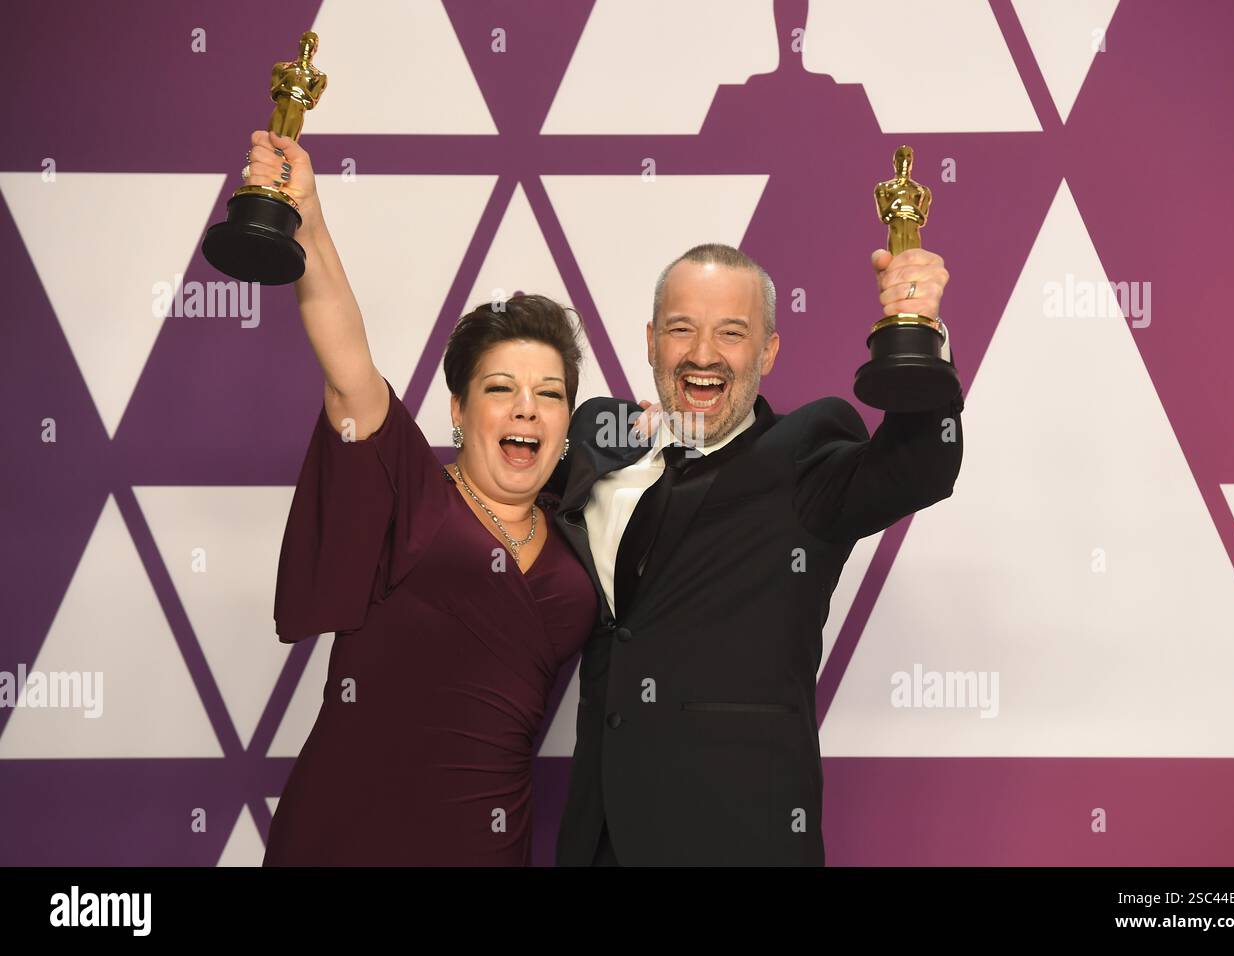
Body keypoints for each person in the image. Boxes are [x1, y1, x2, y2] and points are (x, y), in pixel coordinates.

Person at [548, 242, 964, 866]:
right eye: (681, 329)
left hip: (741, 842)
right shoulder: (603, 443)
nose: (703, 354)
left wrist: (918, 333)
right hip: (598, 840)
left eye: (732, 332)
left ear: (768, 351)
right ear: (652, 341)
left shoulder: (805, 460)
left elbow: (919, 466)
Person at [249, 128, 600, 865]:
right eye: (500, 390)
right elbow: (349, 371)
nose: (526, 410)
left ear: (568, 419)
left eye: (550, 394)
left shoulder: (584, 529)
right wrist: (308, 218)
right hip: (346, 838)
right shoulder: (409, 493)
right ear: (457, 410)